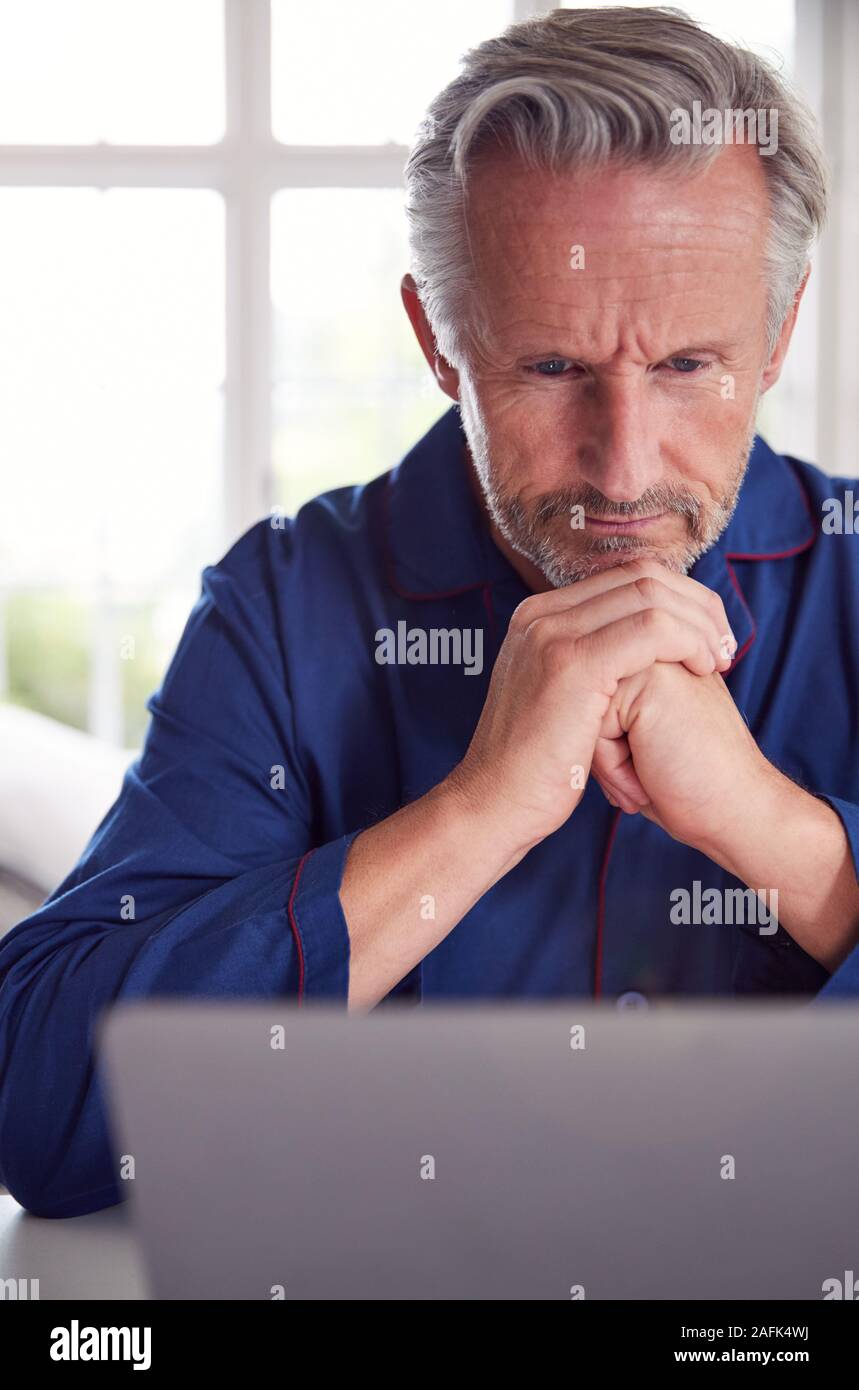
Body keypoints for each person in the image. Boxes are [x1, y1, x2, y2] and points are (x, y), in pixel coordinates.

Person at [2, 6, 858, 1220]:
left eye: (685, 368)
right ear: (438, 339)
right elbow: (44, 1116)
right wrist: (480, 811)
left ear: (775, 334)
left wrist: (773, 833)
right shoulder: (288, 606)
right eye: (551, 369)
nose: (622, 470)